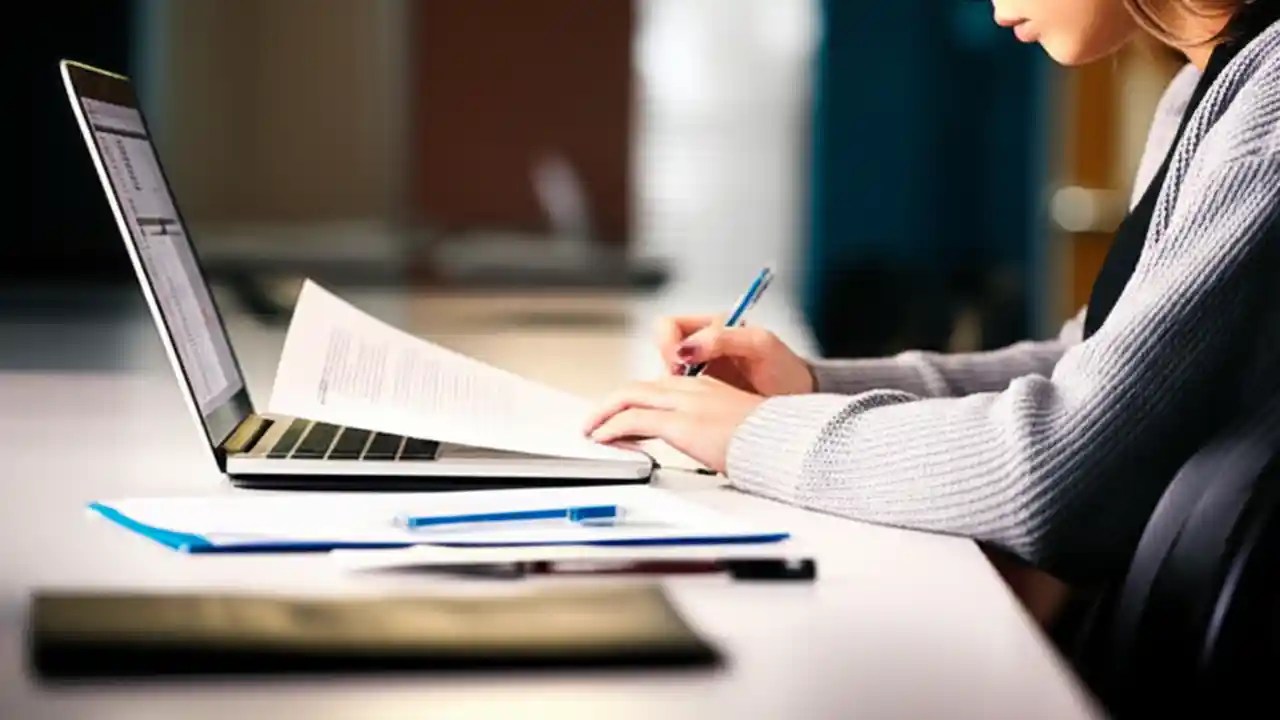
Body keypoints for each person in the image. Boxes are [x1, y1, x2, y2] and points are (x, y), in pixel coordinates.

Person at [584, 0, 1279, 624]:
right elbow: (1090, 361)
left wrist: (759, 436)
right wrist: (812, 387)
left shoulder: (1269, 108)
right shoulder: (1208, 87)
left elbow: (1055, 476)